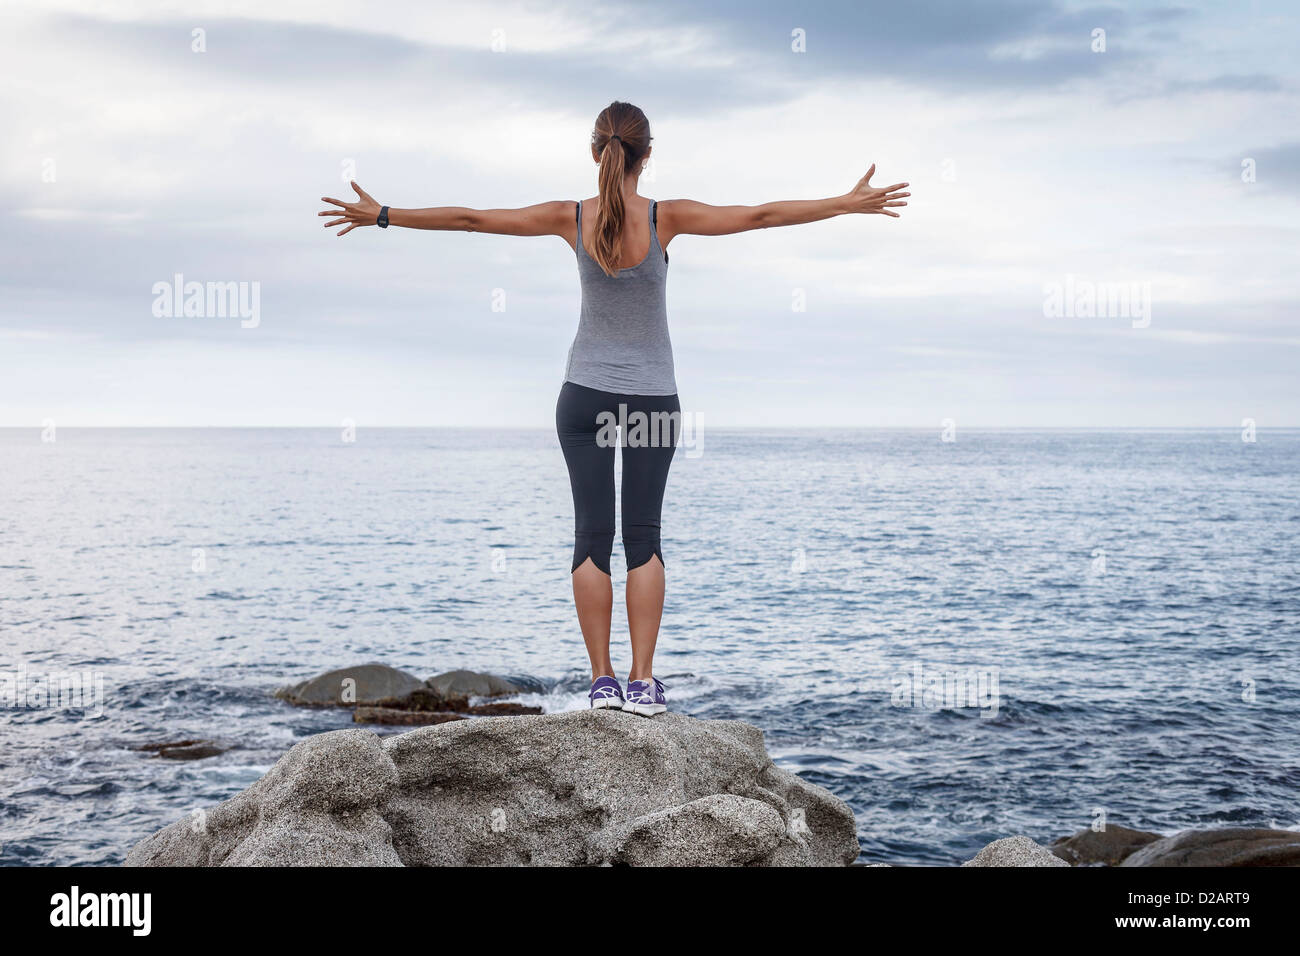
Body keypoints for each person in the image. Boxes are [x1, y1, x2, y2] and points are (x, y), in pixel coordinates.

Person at [318, 100, 908, 716]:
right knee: (644, 537)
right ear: (645, 156)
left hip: (585, 398)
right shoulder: (665, 217)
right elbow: (760, 215)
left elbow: (471, 219)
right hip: (652, 400)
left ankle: (602, 682)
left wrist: (383, 215)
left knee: (591, 536)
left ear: (595, 152)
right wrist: (844, 203)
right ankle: (643, 682)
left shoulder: (569, 217)